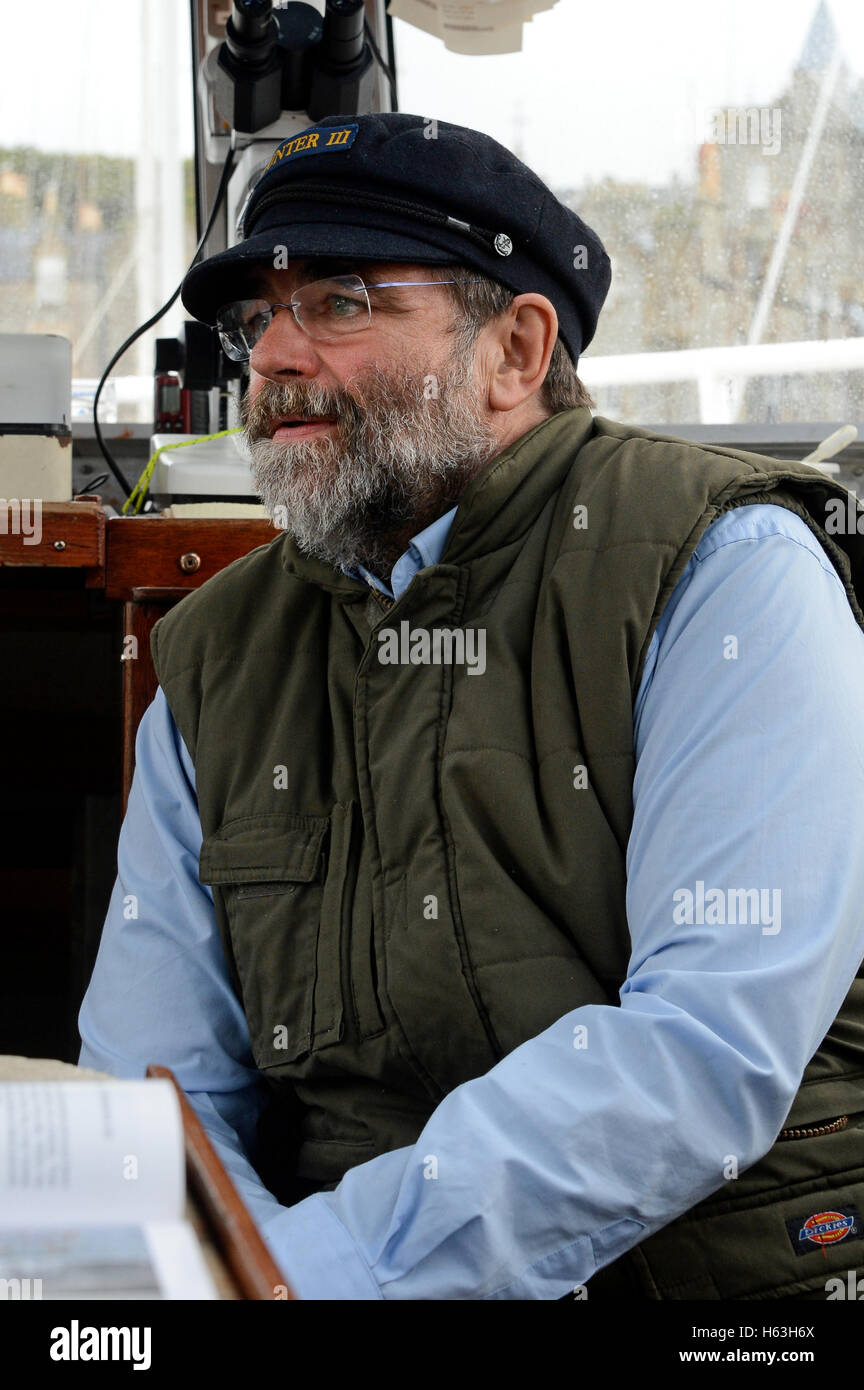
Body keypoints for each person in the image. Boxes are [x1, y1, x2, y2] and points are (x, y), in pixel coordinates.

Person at [79, 113, 864, 1301]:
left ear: (515, 348)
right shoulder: (216, 658)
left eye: (340, 301)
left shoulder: (724, 569)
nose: (274, 357)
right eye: (256, 320)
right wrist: (167, 1284)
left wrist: (300, 1278)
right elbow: (151, 1100)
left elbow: (705, 1053)